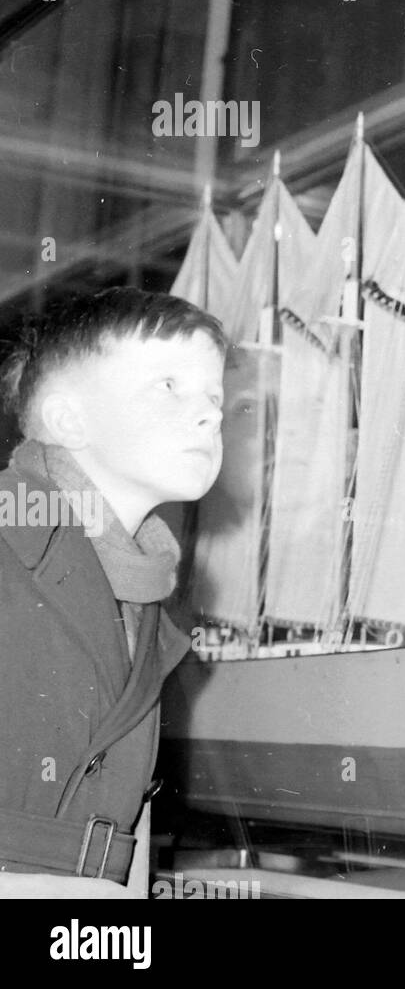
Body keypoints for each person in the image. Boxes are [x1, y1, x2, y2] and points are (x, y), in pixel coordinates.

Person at [0, 287, 226, 897]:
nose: (211, 414)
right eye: (169, 386)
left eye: (215, 396)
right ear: (67, 418)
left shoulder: (142, 602)